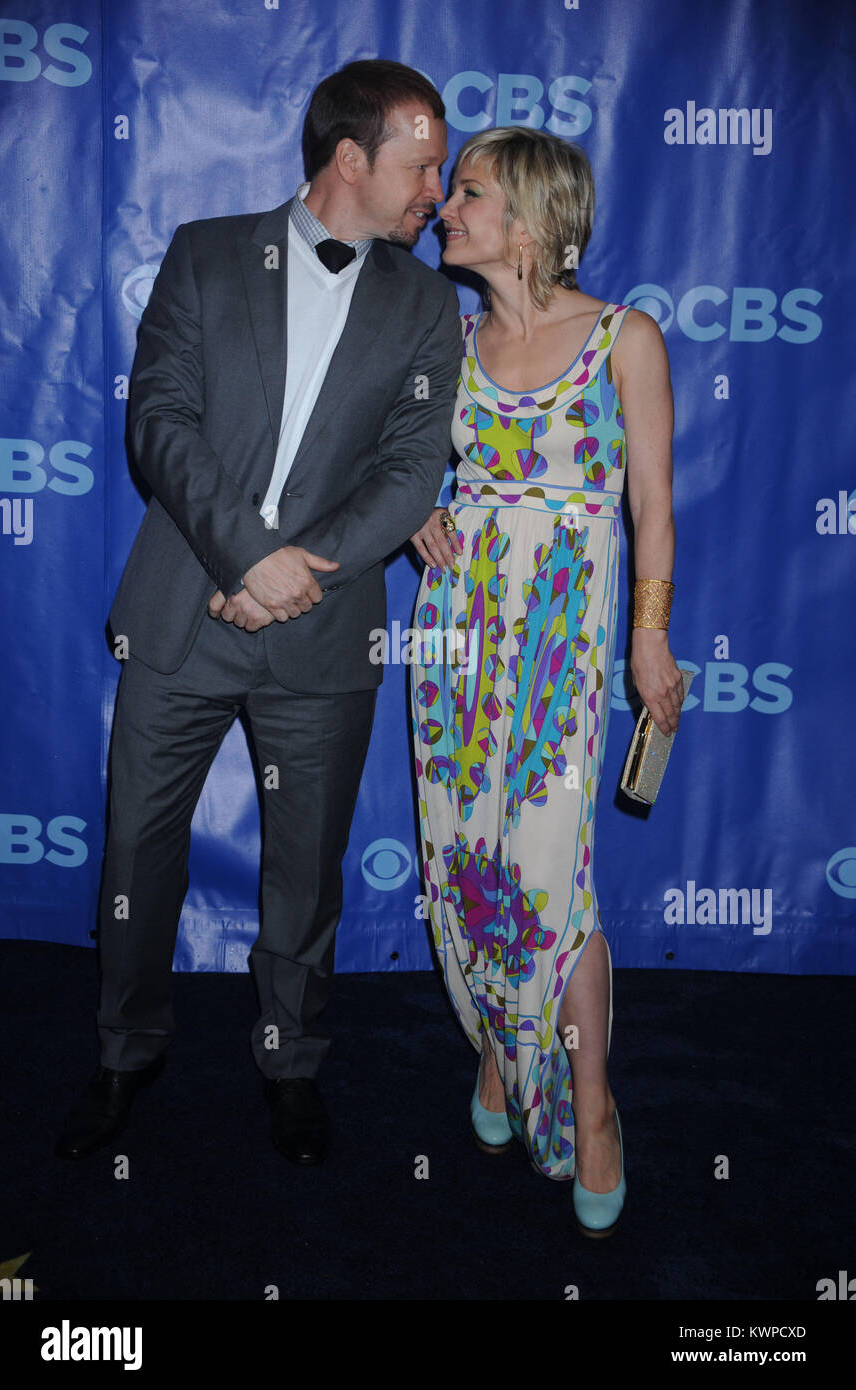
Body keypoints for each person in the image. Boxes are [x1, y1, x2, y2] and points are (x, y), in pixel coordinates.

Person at [56, 59, 461, 1166]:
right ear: (348, 160)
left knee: (306, 866)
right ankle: (124, 1052)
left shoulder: (428, 304)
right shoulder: (203, 253)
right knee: (137, 852)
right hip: (184, 608)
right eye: (421, 165)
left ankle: (291, 1058)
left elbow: (410, 468)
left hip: (322, 631)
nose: (438, 187)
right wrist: (244, 552)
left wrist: (299, 570)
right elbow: (162, 425)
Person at [410, 127, 684, 1235]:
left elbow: (651, 506)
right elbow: (398, 466)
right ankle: (495, 1052)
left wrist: (649, 639)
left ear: (527, 217)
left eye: (466, 192)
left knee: (549, 877)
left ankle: (588, 1100)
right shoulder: (449, 338)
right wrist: (411, 511)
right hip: (451, 634)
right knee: (458, 856)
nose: (443, 209)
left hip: (560, 636)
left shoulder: (626, 337)